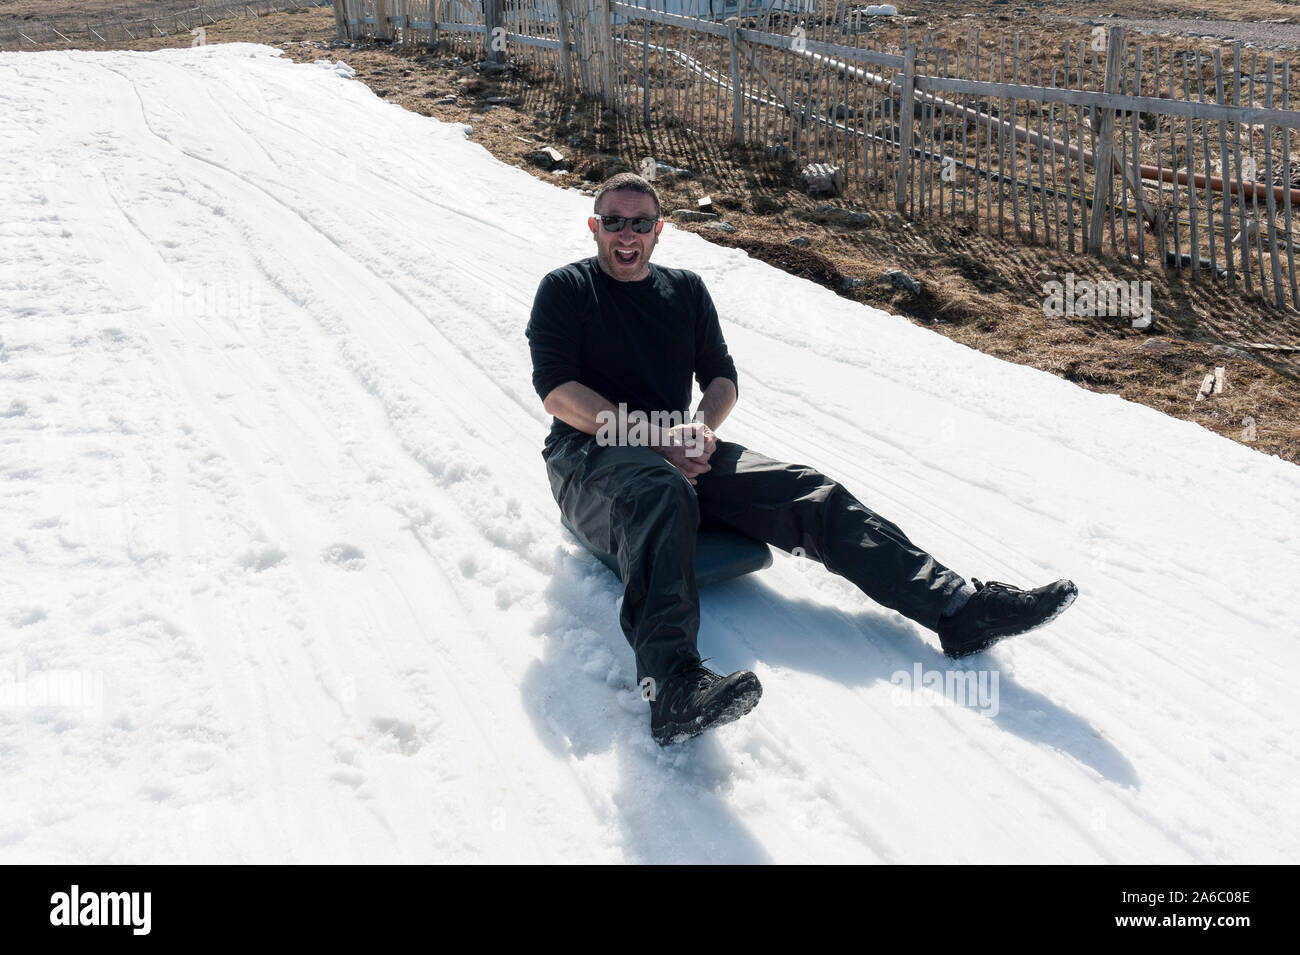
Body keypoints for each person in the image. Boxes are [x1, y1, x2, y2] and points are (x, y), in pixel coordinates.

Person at [526, 173, 1077, 746]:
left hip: (675, 448)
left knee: (808, 493)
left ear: (659, 231)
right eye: (613, 221)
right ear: (595, 226)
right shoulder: (567, 288)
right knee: (661, 492)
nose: (626, 234)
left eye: (640, 223)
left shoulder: (685, 290)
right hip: (591, 456)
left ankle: (959, 609)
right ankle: (671, 688)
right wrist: (649, 436)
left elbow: (721, 376)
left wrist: (699, 430)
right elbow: (558, 393)